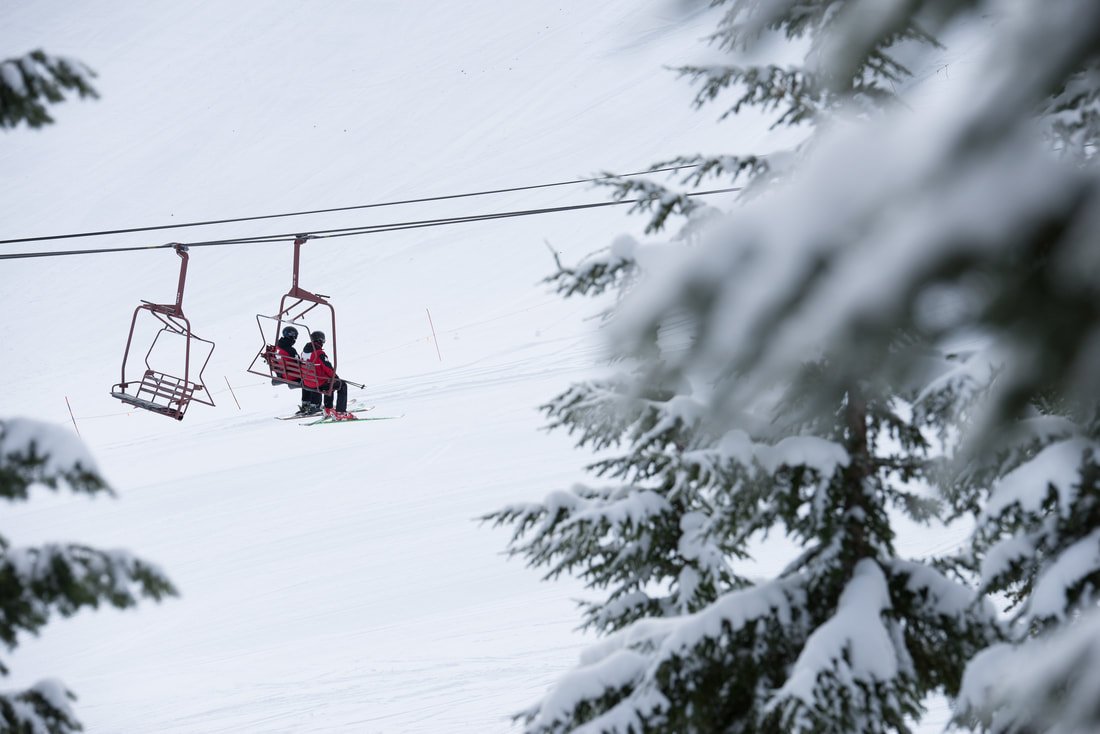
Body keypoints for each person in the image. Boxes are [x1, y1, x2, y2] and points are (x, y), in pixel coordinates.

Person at [302, 330, 356, 420]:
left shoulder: (304, 352)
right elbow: (328, 368)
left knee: (330, 382)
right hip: (317, 382)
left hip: (307, 382)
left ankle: (328, 409)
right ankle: (341, 412)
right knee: (342, 385)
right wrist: (337, 378)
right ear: (320, 340)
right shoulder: (319, 353)